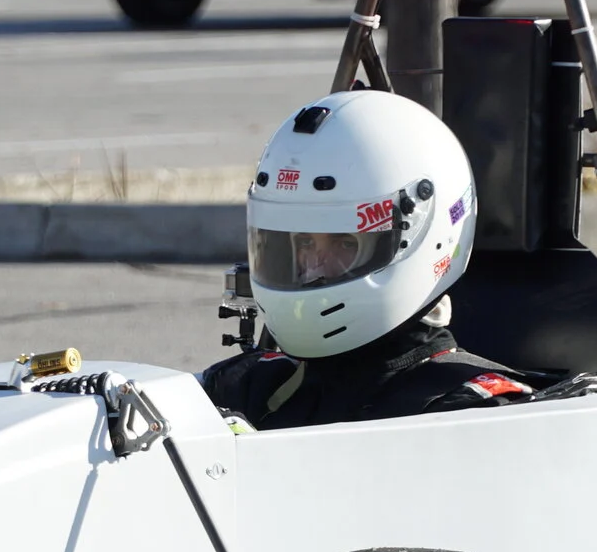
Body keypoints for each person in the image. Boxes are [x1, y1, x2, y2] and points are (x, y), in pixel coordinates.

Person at [201, 90, 535, 430]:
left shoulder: (476, 413)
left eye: (344, 243)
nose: (312, 267)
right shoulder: (250, 388)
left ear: (422, 237)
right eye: (301, 243)